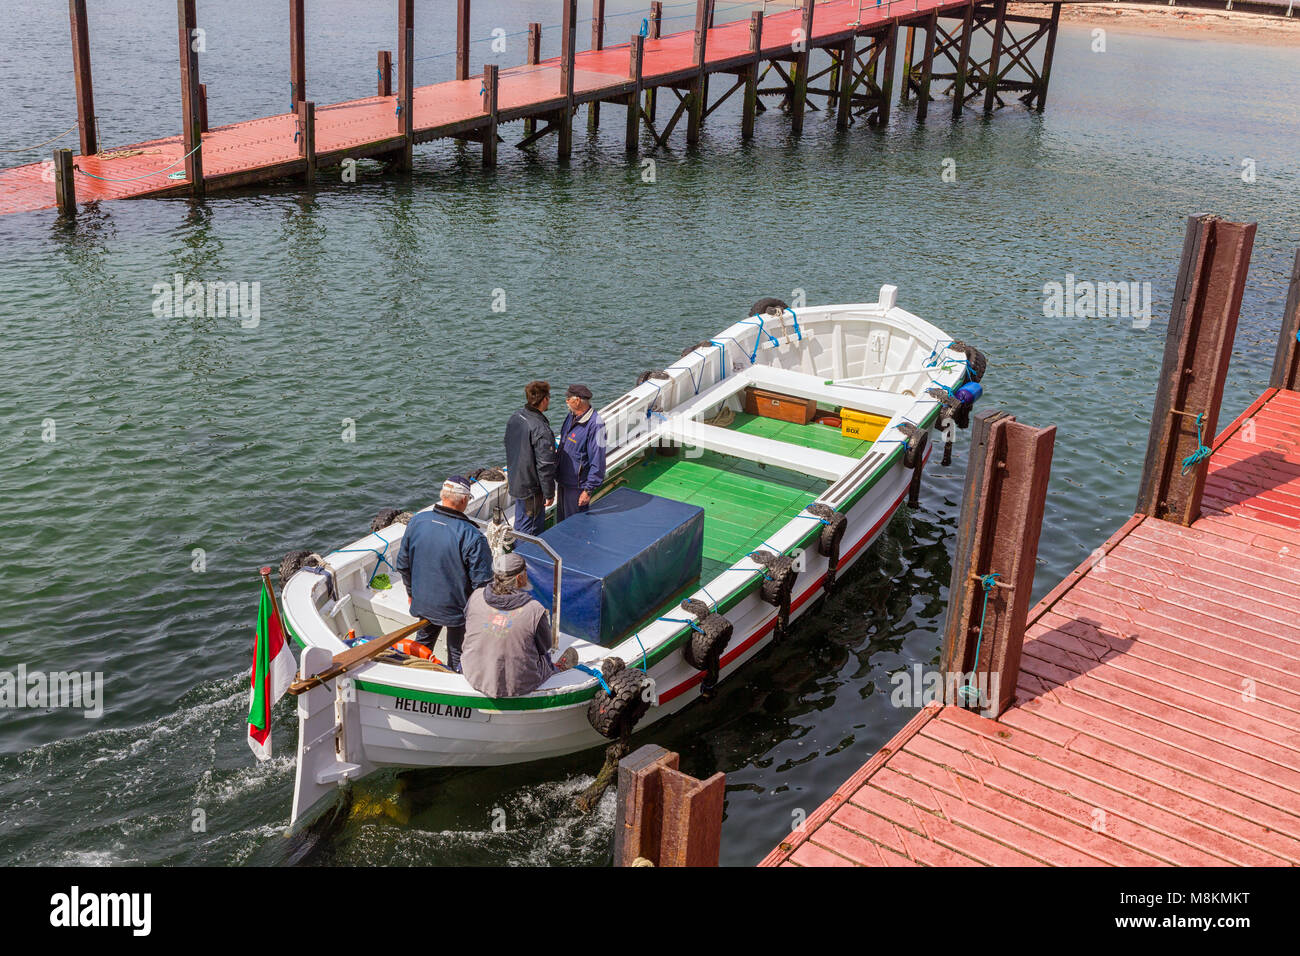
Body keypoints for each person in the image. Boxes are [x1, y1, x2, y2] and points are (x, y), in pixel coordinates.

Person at [393, 476, 493, 672]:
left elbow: (403, 564)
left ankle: (413, 675)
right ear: (464, 500)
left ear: (443, 496)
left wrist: (412, 594)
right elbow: (482, 584)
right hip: (457, 612)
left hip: (423, 603)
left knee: (422, 645)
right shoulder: (472, 536)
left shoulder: (417, 521)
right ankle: (453, 683)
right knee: (457, 654)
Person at [461, 553, 576, 697]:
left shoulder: (476, 596)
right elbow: (544, 647)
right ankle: (558, 669)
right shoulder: (534, 610)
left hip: (473, 674)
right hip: (518, 685)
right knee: (545, 658)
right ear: (520, 578)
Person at [504, 380, 557, 536]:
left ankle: (517, 557)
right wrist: (549, 493)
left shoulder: (516, 417)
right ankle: (526, 559)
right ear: (545, 399)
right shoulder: (540, 429)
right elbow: (545, 464)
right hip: (532, 488)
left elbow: (508, 443)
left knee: (521, 523)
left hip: (517, 480)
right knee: (530, 529)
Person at [555, 384, 607, 521]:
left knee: (575, 524)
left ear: (577, 400)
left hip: (578, 487)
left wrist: (588, 490)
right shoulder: (571, 416)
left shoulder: (596, 425)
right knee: (561, 521)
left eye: (568, 398)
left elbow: (598, 460)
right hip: (563, 481)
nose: (566, 401)